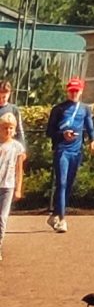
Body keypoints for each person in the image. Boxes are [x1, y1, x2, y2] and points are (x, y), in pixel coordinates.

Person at [46, 77, 94, 233]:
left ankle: (55, 214)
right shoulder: (58, 109)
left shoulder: (85, 109)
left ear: (81, 91)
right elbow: (49, 132)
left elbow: (90, 127)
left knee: (68, 185)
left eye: (77, 90)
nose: (74, 93)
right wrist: (63, 134)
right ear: (67, 91)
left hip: (76, 151)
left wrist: (93, 140)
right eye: (71, 90)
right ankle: (62, 219)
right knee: (61, 183)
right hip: (62, 150)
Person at [0, 106, 25, 261]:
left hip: (7, 186)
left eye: (10, 128)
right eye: (4, 128)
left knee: (2, 218)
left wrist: (18, 188)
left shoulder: (17, 147)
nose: (8, 131)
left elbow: (19, 169)